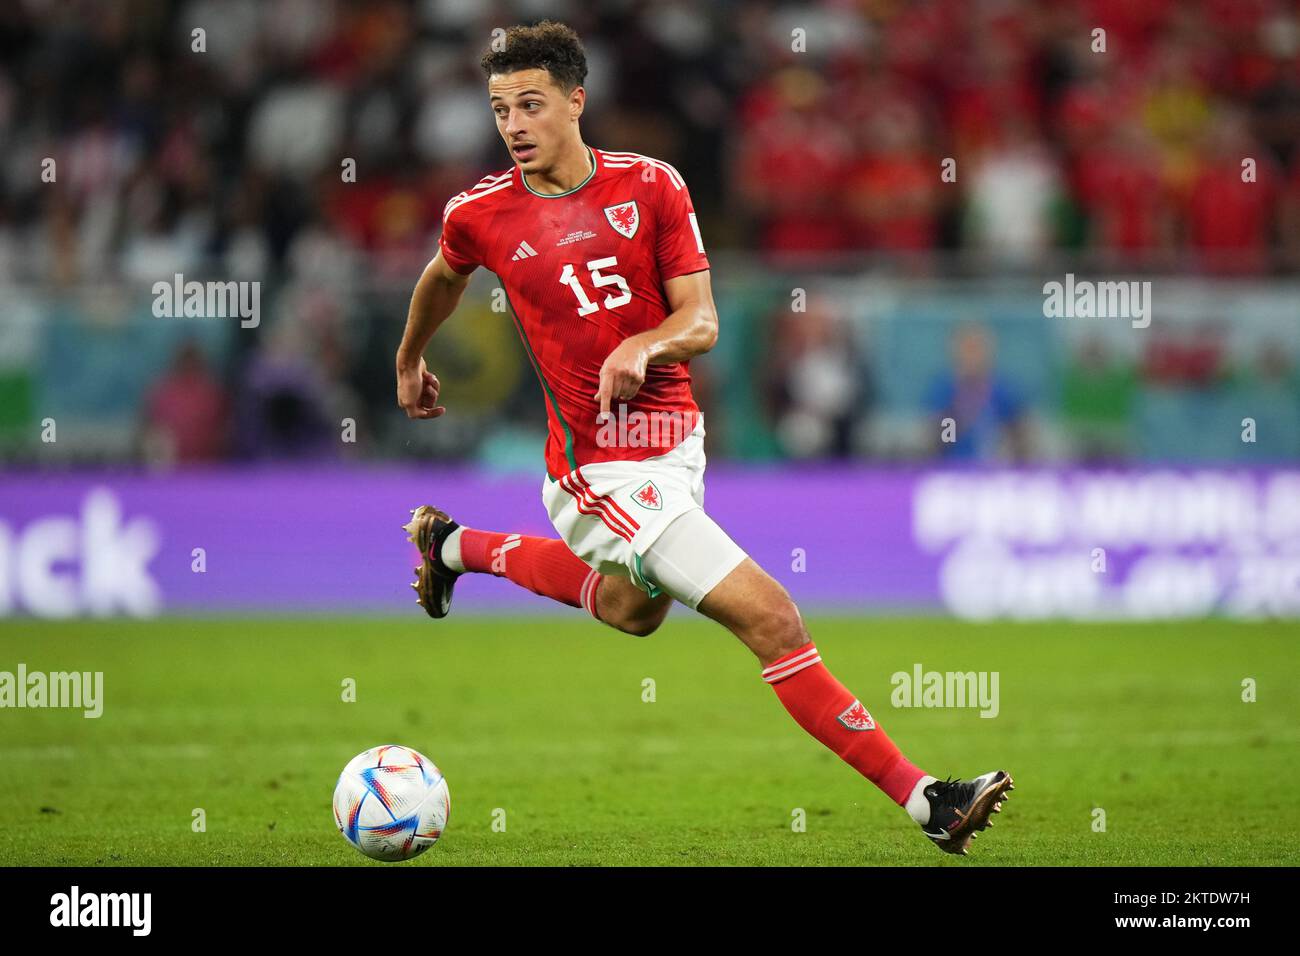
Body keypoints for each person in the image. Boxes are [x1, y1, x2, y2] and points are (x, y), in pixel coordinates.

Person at [394, 20, 1011, 855]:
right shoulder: (481, 212)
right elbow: (442, 273)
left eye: (531, 104)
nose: (513, 124)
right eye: (501, 107)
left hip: (674, 450)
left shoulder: (651, 186)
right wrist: (409, 360)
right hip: (598, 473)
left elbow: (703, 319)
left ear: (577, 101)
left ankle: (453, 546)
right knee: (774, 619)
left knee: (630, 610)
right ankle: (927, 799)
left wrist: (642, 344)